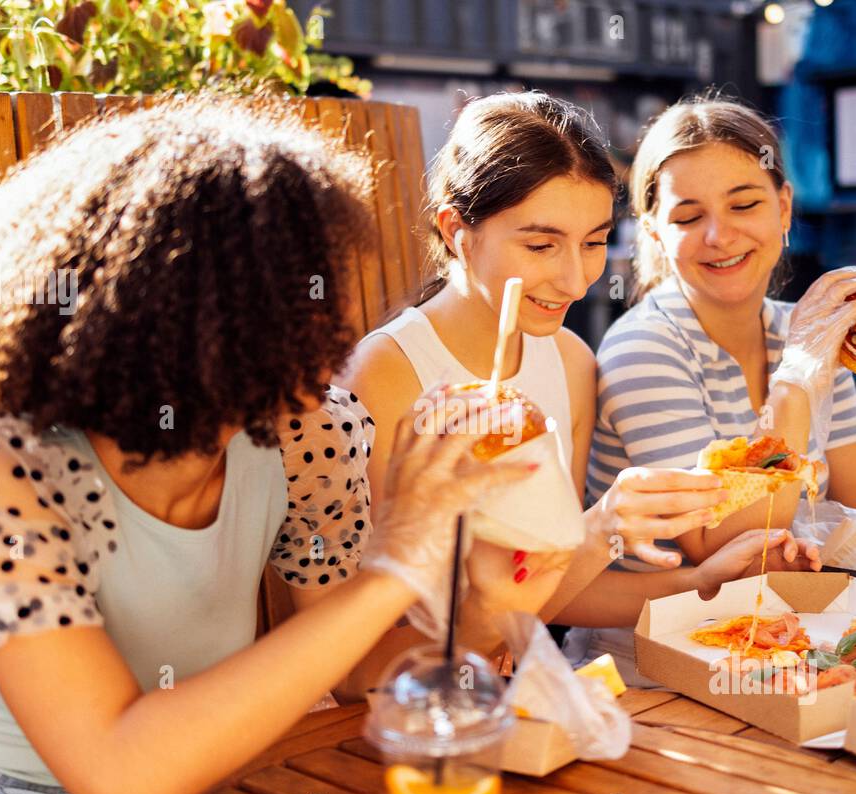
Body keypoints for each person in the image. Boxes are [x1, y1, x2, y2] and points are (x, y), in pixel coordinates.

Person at [0, 96, 539, 794]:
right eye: (293, 301)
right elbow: (123, 777)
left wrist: (487, 605)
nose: (331, 328)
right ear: (171, 319)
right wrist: (398, 563)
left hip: (206, 787)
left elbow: (352, 660)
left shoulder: (307, 432)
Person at [337, 92, 822, 687]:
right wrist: (598, 530)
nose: (574, 278)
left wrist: (700, 581)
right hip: (403, 710)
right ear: (457, 231)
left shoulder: (568, 360)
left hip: (518, 699)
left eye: (593, 242)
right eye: (541, 245)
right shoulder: (383, 375)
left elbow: (546, 594)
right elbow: (348, 664)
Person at [573, 94, 856, 674]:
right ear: (653, 232)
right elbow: (724, 544)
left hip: (784, 638)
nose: (719, 235)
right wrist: (798, 375)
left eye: (744, 204)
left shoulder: (799, 329)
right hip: (656, 663)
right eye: (688, 216)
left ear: (784, 208)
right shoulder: (645, 347)